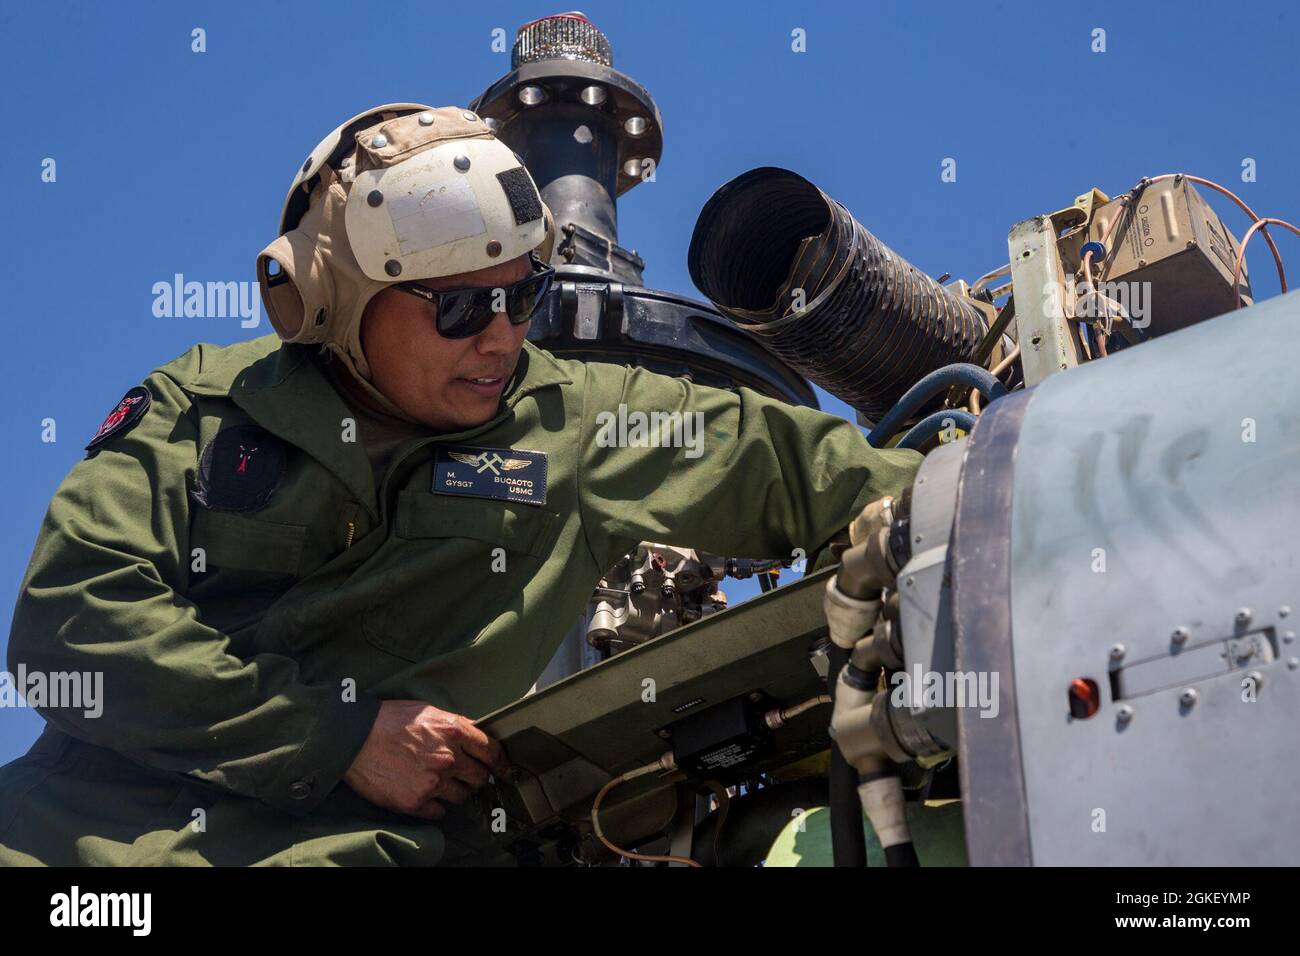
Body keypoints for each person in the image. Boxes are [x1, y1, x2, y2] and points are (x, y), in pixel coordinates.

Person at [0, 104, 921, 866]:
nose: (501, 336)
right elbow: (67, 627)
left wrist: (963, 502)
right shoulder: (201, 408)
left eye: (522, 295)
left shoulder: (581, 427)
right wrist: (339, 739)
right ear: (334, 295)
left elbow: (807, 473)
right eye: (460, 306)